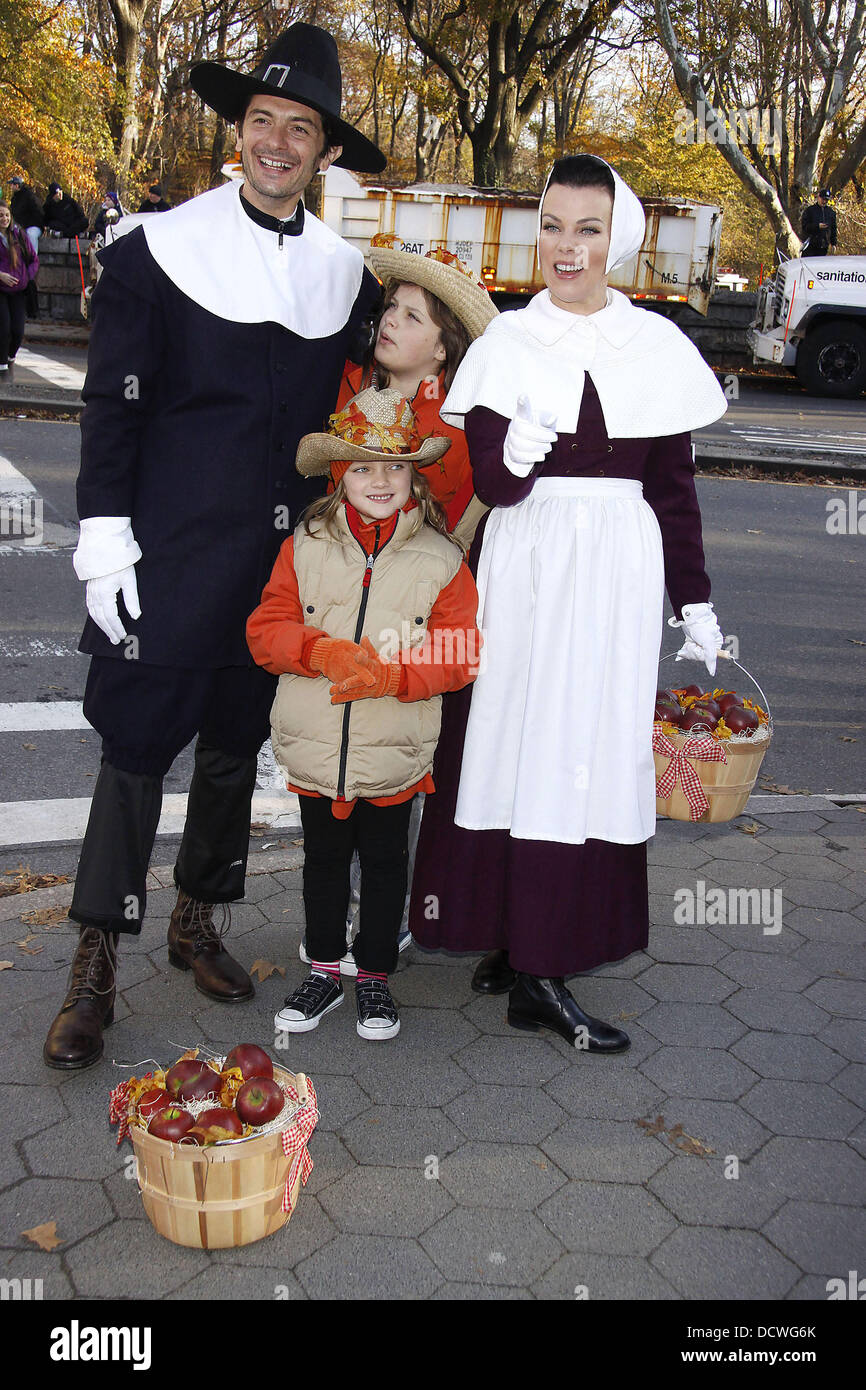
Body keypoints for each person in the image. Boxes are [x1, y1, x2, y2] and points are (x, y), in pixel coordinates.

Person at [42, 23, 386, 1071]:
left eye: (301, 129)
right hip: (169, 552)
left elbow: (378, 409)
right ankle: (94, 959)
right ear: (240, 130)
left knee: (236, 748)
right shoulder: (158, 249)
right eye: (263, 121)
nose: (278, 142)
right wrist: (104, 544)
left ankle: (198, 918)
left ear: (325, 152)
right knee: (134, 753)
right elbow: (112, 408)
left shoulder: (348, 280)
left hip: (279, 568)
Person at [407, 153, 728, 1052]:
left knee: (576, 752)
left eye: (587, 229)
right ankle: (518, 950)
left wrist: (693, 601)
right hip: (527, 567)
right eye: (553, 224)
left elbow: (674, 491)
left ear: (615, 240)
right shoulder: (506, 344)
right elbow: (497, 496)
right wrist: (515, 457)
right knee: (511, 742)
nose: (566, 246)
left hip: (614, 581)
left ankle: (539, 959)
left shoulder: (658, 350)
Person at [246, 387, 480, 1039]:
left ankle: (374, 977)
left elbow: (461, 652)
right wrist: (318, 650)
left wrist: (393, 674)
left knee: (384, 867)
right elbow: (265, 628)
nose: (381, 480)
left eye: (395, 467)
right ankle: (323, 970)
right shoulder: (305, 546)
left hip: (395, 749)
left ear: (414, 476)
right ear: (339, 475)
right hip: (317, 746)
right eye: (365, 466)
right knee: (321, 862)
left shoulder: (441, 560)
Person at [297, 247, 497, 976]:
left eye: (413, 316)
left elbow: (456, 531)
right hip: (336, 605)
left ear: (442, 345)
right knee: (332, 752)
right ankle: (330, 911)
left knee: (395, 761)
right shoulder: (348, 385)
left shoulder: (462, 427)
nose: (391, 321)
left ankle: (387, 908)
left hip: (410, 616)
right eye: (390, 308)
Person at [0, 202, 38, 370]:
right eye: (0, 215)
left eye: (6, 215)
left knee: (17, 330)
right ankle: (1, 364)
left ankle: (10, 356)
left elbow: (33, 260)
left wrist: (26, 277)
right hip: (1, 289)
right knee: (4, 327)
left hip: (18, 290)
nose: (4, 219)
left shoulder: (19, 235)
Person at [8, 175, 44, 255]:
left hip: (34, 226)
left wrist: (24, 226)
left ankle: (33, 258)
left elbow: (38, 214)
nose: (10, 187)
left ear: (17, 185)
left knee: (31, 234)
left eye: (12, 185)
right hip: (20, 225)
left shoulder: (30, 197)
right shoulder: (14, 199)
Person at [801, 190, 837, 257]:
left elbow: (833, 229)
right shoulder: (810, 211)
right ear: (818, 197)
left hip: (824, 247)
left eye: (826, 200)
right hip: (810, 246)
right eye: (823, 199)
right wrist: (817, 226)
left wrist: (833, 243)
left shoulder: (830, 212)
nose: (824, 202)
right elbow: (805, 227)